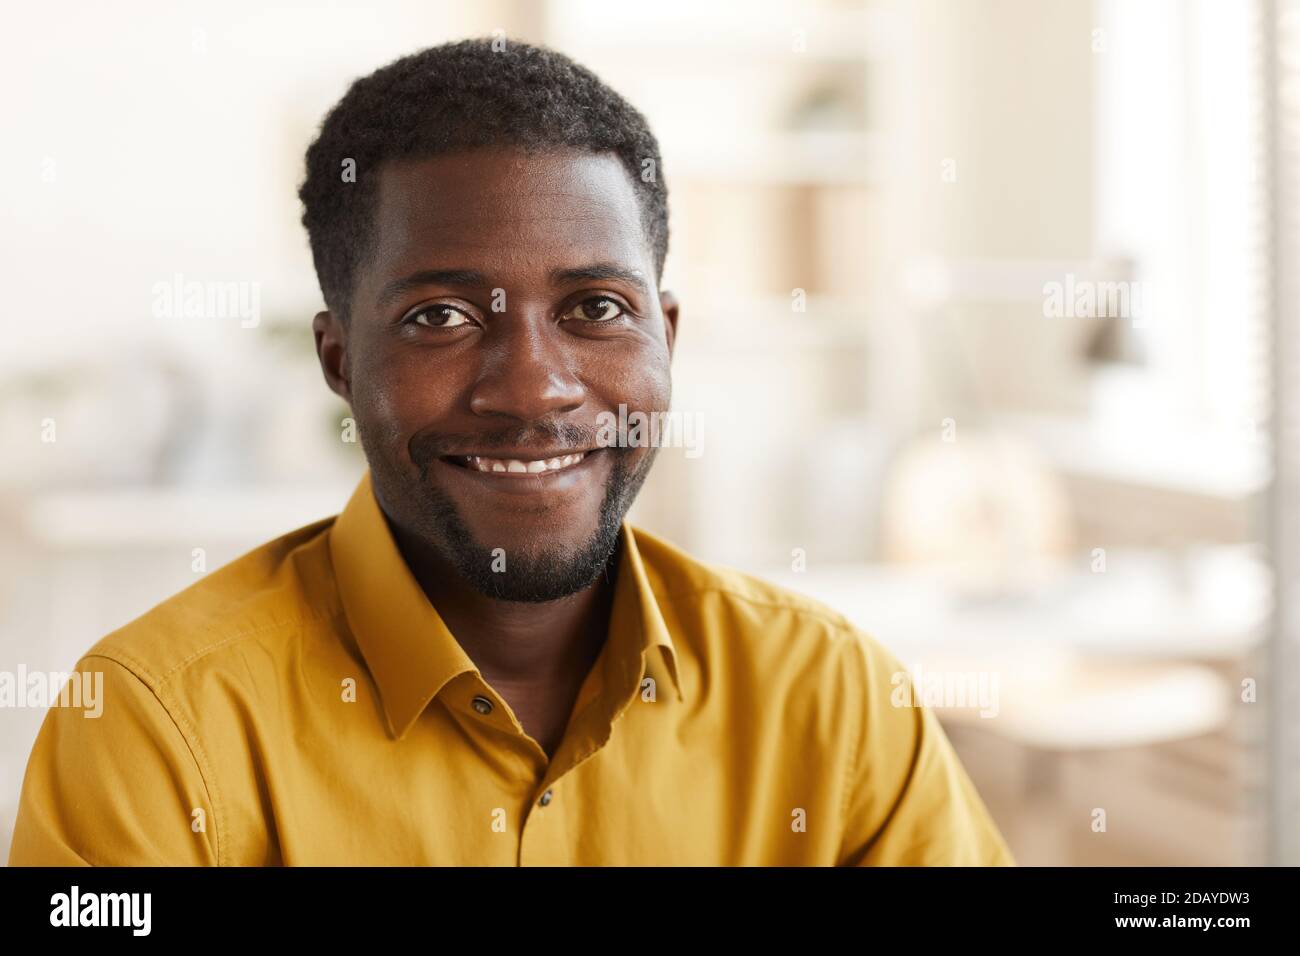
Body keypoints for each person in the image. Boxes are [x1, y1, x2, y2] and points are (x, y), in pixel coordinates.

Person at [9, 38, 1013, 866]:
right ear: (338, 358)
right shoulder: (156, 728)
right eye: (441, 314)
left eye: (595, 309)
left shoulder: (826, 694)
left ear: (666, 335)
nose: (534, 387)